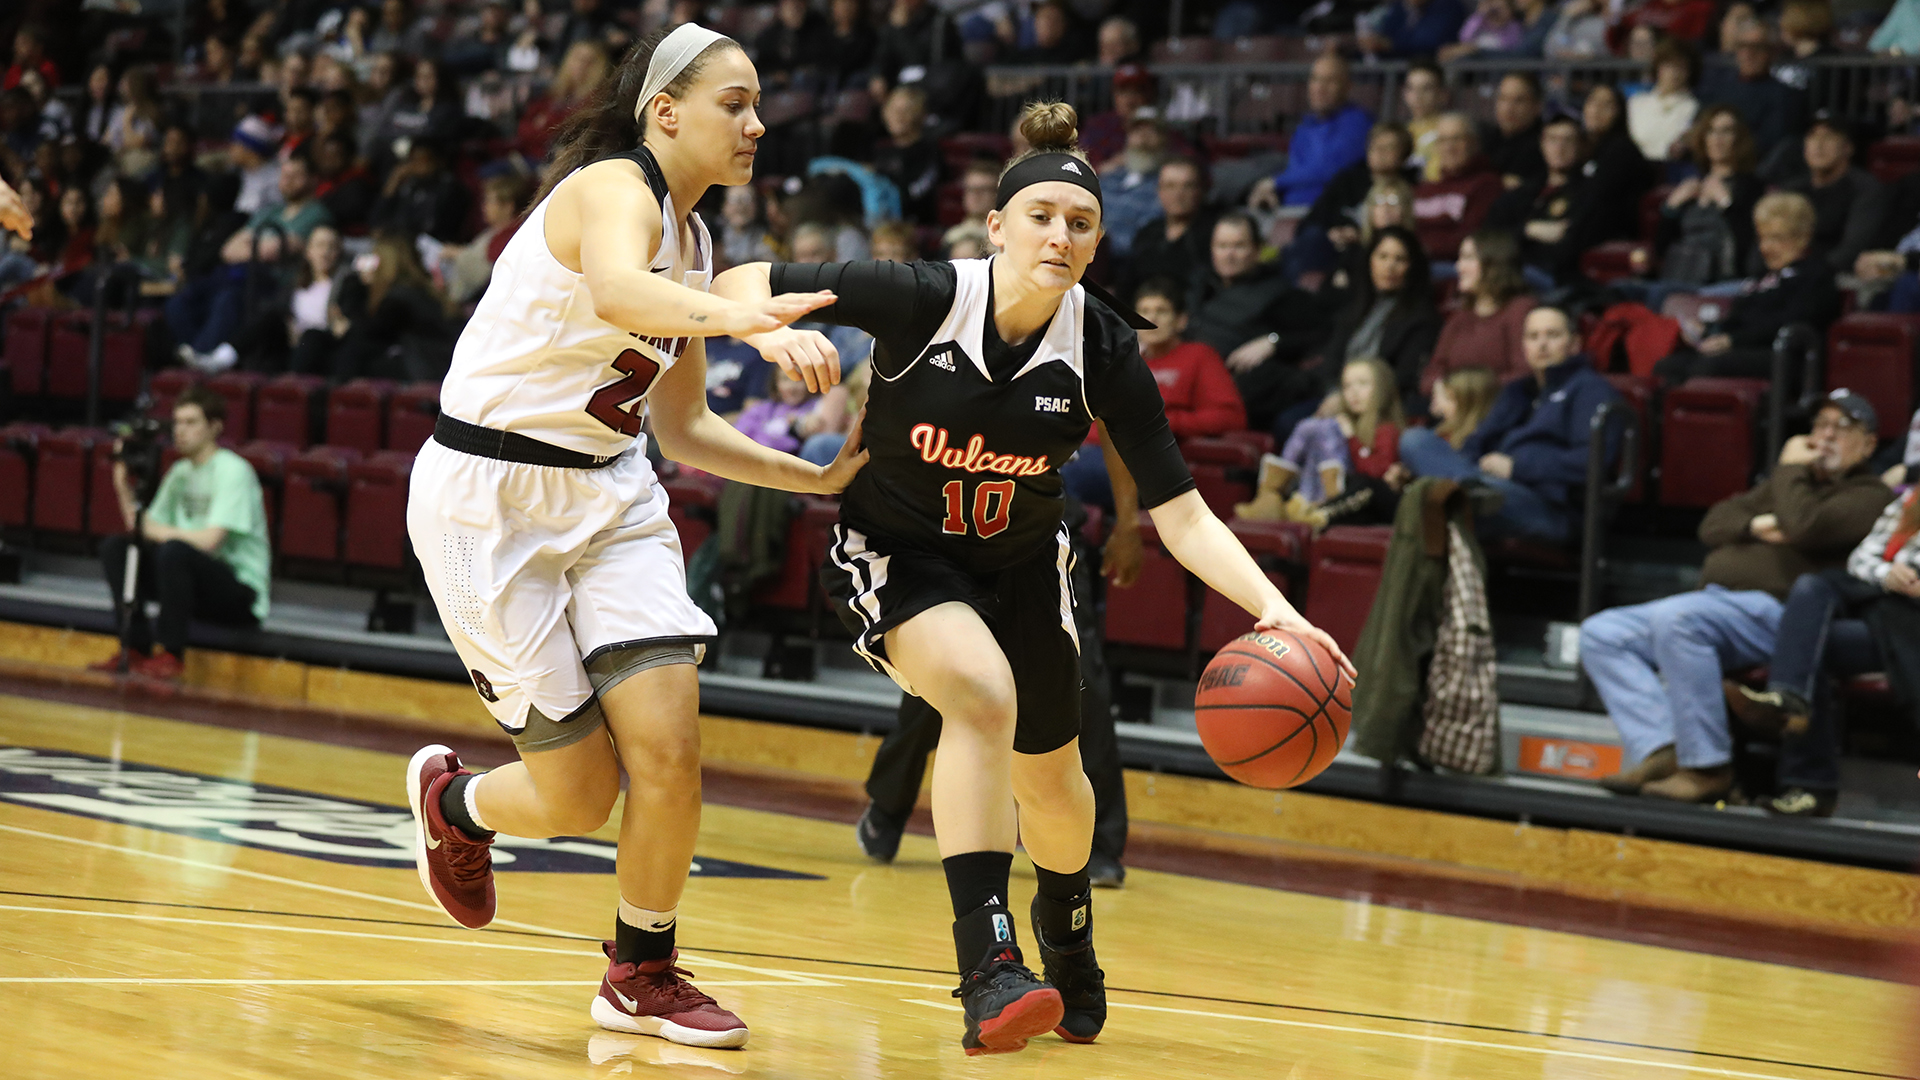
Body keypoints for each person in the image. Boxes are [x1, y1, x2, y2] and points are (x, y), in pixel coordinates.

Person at [713, 101, 1354, 1056]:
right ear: (998, 226)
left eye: (1082, 223)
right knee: (977, 695)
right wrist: (760, 331)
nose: (1060, 235)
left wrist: (1281, 613)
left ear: (1097, 243)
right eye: (1043, 216)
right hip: (898, 551)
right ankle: (988, 962)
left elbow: (1181, 512)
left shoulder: (1101, 344)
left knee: (1055, 783)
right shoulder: (919, 294)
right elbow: (737, 275)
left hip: (1022, 564)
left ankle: (1068, 929)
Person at [399, 24, 868, 1052]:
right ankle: (458, 806)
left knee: (670, 747)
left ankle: (639, 972)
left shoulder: (697, 247)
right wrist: (746, 321)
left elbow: (685, 426)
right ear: (666, 112)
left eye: (758, 107)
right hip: (489, 497)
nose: (755, 125)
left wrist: (814, 477)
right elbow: (616, 290)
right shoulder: (613, 188)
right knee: (576, 796)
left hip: (612, 496)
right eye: (733, 104)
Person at [1583, 392, 1890, 804]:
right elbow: (1713, 524)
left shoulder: (1870, 497)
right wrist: (1759, 523)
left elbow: (1804, 527)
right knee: (1601, 633)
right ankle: (1662, 748)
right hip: (1721, 605)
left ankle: (1707, 768)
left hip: (1784, 617)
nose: (1825, 436)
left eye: (1842, 427)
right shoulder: (1792, 485)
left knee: (1679, 620)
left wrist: (1789, 471)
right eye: (1820, 425)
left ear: (1869, 444)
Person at [91, 388, 272, 683]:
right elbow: (140, 529)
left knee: (174, 551)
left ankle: (172, 654)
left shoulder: (233, 471)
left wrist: (161, 534)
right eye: (177, 423)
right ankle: (135, 647)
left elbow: (210, 542)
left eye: (191, 422)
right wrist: (122, 485)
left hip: (239, 594)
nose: (180, 431)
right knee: (117, 548)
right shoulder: (180, 472)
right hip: (188, 584)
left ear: (215, 427)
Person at [1398, 304, 1619, 542]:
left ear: (1575, 344)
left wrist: (1516, 467)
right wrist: (1456, 467)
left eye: (1552, 335)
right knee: (1414, 439)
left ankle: (1460, 493)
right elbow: (1476, 443)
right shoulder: (1516, 391)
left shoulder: (1590, 390)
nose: (1542, 345)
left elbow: (1591, 461)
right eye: (1533, 337)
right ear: (1524, 346)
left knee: (1431, 498)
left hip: (1549, 508)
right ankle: (1466, 491)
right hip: (1491, 485)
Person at [1653, 192, 1840, 387]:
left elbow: (1788, 322)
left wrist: (1733, 340)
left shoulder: (1816, 275)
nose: (1765, 247)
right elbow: (1740, 318)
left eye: (1776, 238)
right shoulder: (1764, 276)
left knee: (1709, 367)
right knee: (1668, 366)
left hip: (1785, 358)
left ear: (1802, 237)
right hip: (1744, 349)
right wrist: (1709, 330)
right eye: (1762, 238)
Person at [1192, 212, 1330, 430]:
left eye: (1238, 246)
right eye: (1222, 246)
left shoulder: (1279, 292)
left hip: (1243, 386)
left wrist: (1273, 341)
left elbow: (1321, 332)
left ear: (1257, 250)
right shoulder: (1197, 287)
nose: (1229, 254)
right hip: (1190, 379)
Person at [1238, 357, 1404, 528]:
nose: (1354, 392)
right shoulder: (1338, 424)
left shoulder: (1387, 429)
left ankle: (1314, 513)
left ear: (1382, 389)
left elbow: (1376, 475)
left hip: (1362, 503)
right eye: (1347, 386)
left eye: (1363, 384)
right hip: (1323, 491)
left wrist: (1351, 439)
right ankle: (1276, 497)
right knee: (1311, 427)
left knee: (1364, 485)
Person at [1310, 225, 1441, 409]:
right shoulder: (1356, 306)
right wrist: (1334, 392)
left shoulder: (1422, 318)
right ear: (1370, 260)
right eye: (1382, 256)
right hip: (1338, 395)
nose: (1389, 266)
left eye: (1400, 259)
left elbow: (1404, 377)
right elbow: (1332, 359)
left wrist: (1350, 398)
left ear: (1412, 266)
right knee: (1288, 419)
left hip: (1380, 404)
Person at [1654, 106, 1763, 289]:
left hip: (1722, 279)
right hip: (1681, 274)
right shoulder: (1692, 187)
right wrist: (1671, 207)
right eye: (1711, 131)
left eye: (1726, 131)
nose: (1717, 139)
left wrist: (1726, 202)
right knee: (1623, 289)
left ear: (1739, 139)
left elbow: (1750, 245)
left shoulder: (1750, 186)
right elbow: (1660, 249)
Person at [1421, 228, 1534, 401]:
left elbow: (1524, 373)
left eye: (1468, 258)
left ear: (1495, 263)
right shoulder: (1461, 316)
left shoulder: (1520, 310)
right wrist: (1440, 388)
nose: (1459, 267)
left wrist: (1464, 392)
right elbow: (1433, 371)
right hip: (1455, 413)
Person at [1254, 54, 1371, 208]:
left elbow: (1329, 169)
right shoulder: (1304, 128)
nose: (1319, 88)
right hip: (1287, 210)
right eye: (1315, 79)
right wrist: (1270, 192)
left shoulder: (1358, 123)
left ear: (1347, 86)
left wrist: (1275, 182)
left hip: (1328, 216)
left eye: (1330, 81)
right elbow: (1296, 171)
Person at [1783, 111, 1887, 274]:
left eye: (1829, 137)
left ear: (1848, 147)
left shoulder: (1865, 188)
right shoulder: (1792, 189)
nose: (1818, 145)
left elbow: (1852, 249)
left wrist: (1806, 274)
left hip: (1835, 278)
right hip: (1787, 275)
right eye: (1812, 136)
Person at [1698, 20, 1806, 168]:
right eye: (1742, 46)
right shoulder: (1717, 89)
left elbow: (1771, 146)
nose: (1748, 54)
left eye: (1757, 47)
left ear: (1772, 53)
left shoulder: (1785, 97)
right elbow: (1700, 128)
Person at [1413, 113, 1504, 262]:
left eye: (1457, 139)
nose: (1449, 147)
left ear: (1474, 143)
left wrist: (1418, 248)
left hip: (1451, 267)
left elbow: (1470, 238)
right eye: (1443, 140)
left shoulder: (1487, 185)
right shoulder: (1423, 189)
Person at [1118, 156, 1210, 300]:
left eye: (1188, 186)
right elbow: (1127, 286)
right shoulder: (1147, 233)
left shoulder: (1216, 234)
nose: (1178, 194)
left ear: (1201, 190)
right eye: (1170, 186)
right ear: (1159, 191)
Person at [1629, 40, 1701, 162]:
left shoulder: (1693, 107)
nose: (1674, 73)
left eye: (1681, 67)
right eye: (1669, 66)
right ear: (1658, 68)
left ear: (1689, 72)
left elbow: (1675, 146)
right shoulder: (1636, 102)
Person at [1483, 72, 1546, 188]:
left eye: (1519, 100)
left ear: (1537, 106)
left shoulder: (1545, 145)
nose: (1508, 108)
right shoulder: (1484, 140)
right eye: (1503, 99)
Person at [1359, 0, 1469, 57]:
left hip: (1430, 68)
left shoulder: (1448, 6)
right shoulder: (1399, 8)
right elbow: (1386, 33)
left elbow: (1431, 40)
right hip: (1394, 71)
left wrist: (1391, 44)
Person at [1400, 60, 1447, 180]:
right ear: (1404, 93)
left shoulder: (1448, 133)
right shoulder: (1400, 133)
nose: (1417, 96)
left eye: (1426, 89)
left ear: (1442, 94)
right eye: (1411, 88)